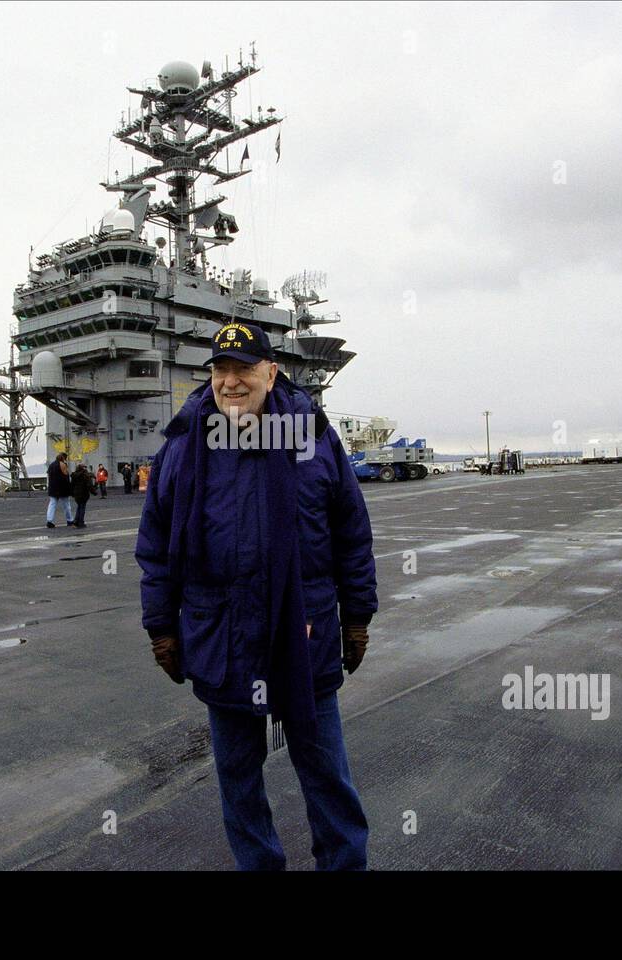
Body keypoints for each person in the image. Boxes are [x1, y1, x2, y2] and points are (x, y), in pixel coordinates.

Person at [137, 320, 378, 871]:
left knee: (328, 782)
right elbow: (155, 546)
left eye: (243, 368)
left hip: (304, 636)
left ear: (272, 371)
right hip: (219, 641)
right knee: (239, 785)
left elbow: (351, 532)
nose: (230, 382)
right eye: (220, 370)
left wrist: (358, 615)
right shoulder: (183, 446)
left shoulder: (313, 438)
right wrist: (161, 627)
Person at [45, 452, 75, 528]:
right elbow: (66, 477)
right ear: (63, 458)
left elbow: (49, 476)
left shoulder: (51, 465)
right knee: (66, 505)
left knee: (52, 504)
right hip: (62, 489)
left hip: (53, 488)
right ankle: (69, 520)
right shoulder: (63, 465)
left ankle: (49, 521)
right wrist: (70, 488)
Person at [72, 463, 94, 529]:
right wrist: (94, 492)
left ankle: (76, 521)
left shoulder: (74, 475)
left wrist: (72, 493)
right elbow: (89, 485)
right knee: (82, 508)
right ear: (83, 468)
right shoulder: (86, 475)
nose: (86, 468)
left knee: (79, 507)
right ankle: (81, 522)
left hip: (77, 494)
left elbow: (72, 485)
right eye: (85, 467)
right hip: (84, 494)